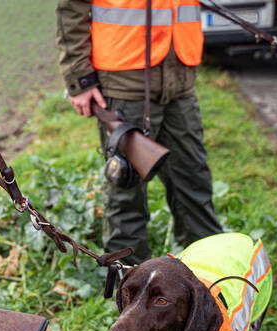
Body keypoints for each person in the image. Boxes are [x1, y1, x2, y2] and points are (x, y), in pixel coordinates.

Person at [56, 0, 223, 264]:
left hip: (180, 77)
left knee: (195, 182)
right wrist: (79, 78)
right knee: (126, 191)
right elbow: (71, 8)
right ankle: (130, 287)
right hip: (125, 81)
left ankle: (210, 278)